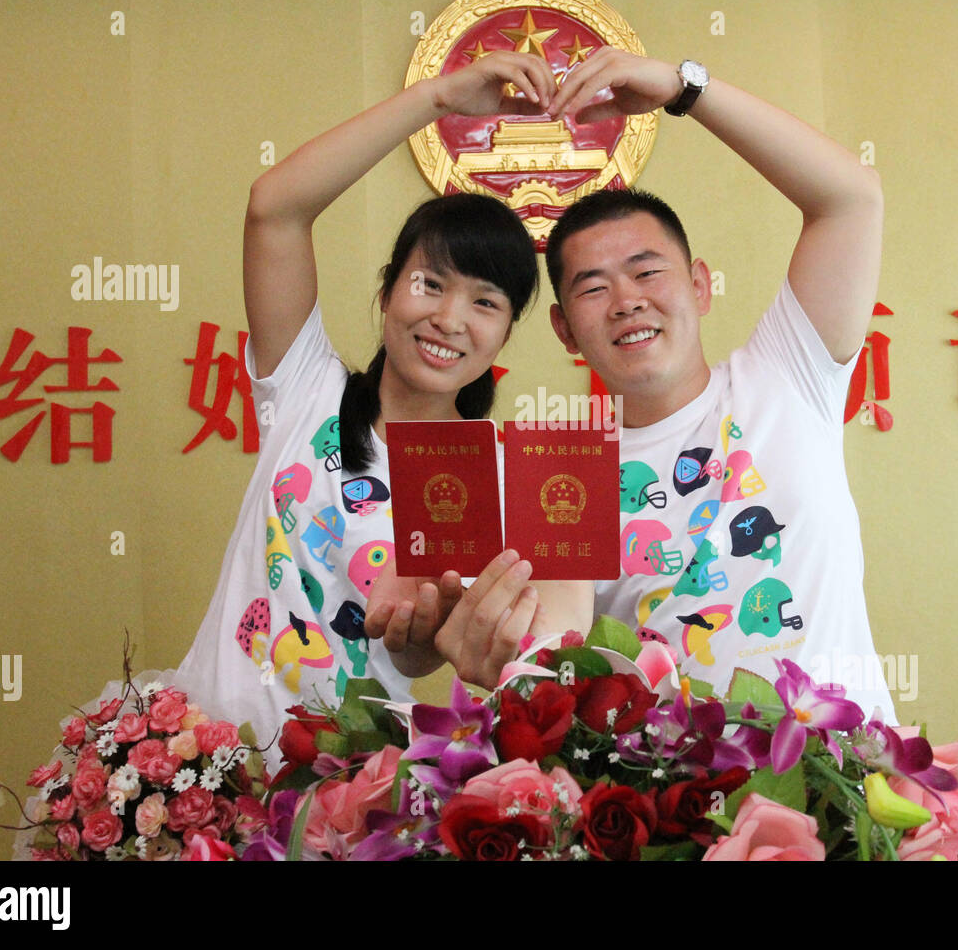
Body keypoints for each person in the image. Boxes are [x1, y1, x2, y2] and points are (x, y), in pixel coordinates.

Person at [175, 51, 587, 766]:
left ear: (506, 331)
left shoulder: (501, 477)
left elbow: (446, 657)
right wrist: (438, 97)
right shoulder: (306, 389)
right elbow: (275, 205)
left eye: (485, 302)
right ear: (388, 289)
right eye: (430, 282)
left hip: (351, 797)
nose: (450, 319)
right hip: (206, 764)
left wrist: (430, 642)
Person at [540, 48, 898, 720]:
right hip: (685, 815)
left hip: (855, 802)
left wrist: (684, 89)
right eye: (593, 287)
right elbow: (552, 669)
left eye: (648, 272)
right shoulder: (563, 486)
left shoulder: (788, 378)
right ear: (564, 330)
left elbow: (851, 198)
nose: (626, 300)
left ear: (700, 286)